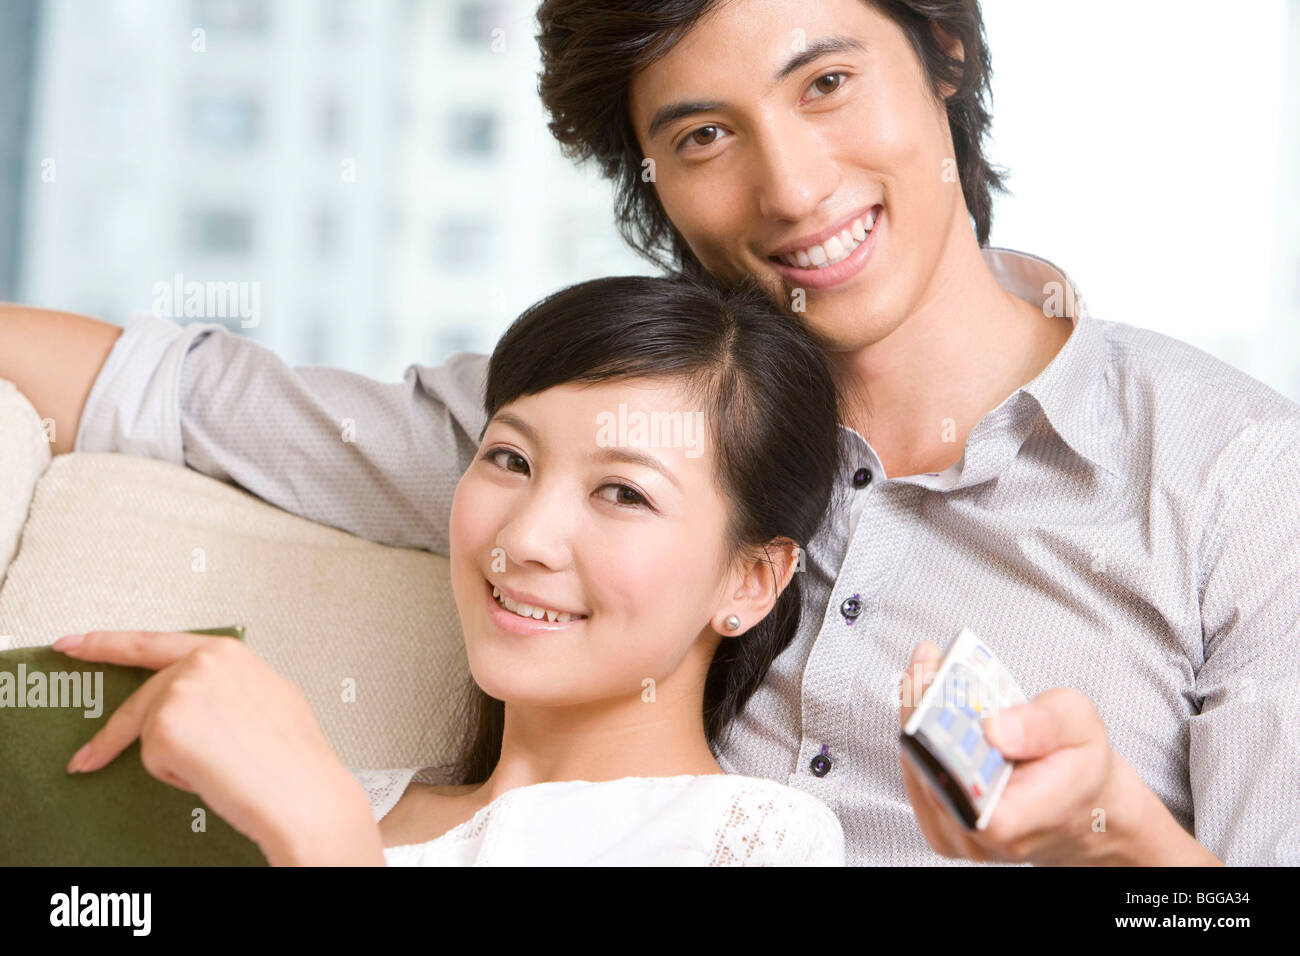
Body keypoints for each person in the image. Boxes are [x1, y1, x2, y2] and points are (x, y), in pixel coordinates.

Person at [3, 0, 1297, 865]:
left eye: (830, 83)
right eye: (703, 135)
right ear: (651, 178)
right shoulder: (590, 430)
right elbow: (160, 391)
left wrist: (1125, 838)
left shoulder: (1239, 484)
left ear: (944, 55)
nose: (791, 189)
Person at [46, 273, 849, 865]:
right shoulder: (314, 796)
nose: (526, 536)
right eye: (509, 457)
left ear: (751, 580)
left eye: (623, 493)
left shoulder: (755, 841)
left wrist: (324, 839)